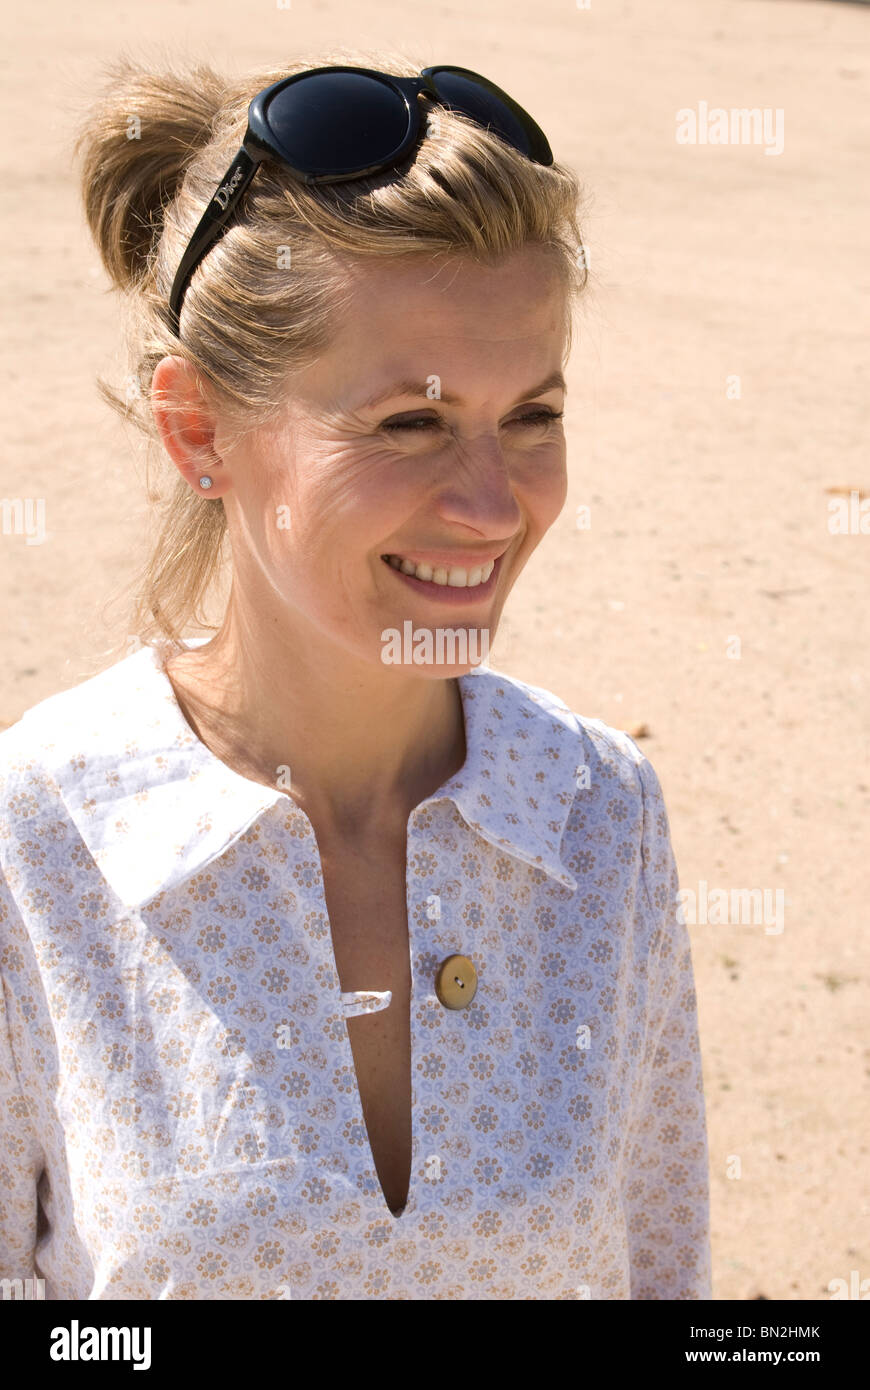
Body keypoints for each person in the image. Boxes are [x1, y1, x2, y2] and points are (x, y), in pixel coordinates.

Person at [0, 47, 712, 1299]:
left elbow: (663, 1289)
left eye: (533, 416)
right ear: (197, 429)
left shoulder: (601, 811)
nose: (494, 506)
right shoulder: (40, 834)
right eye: (411, 422)